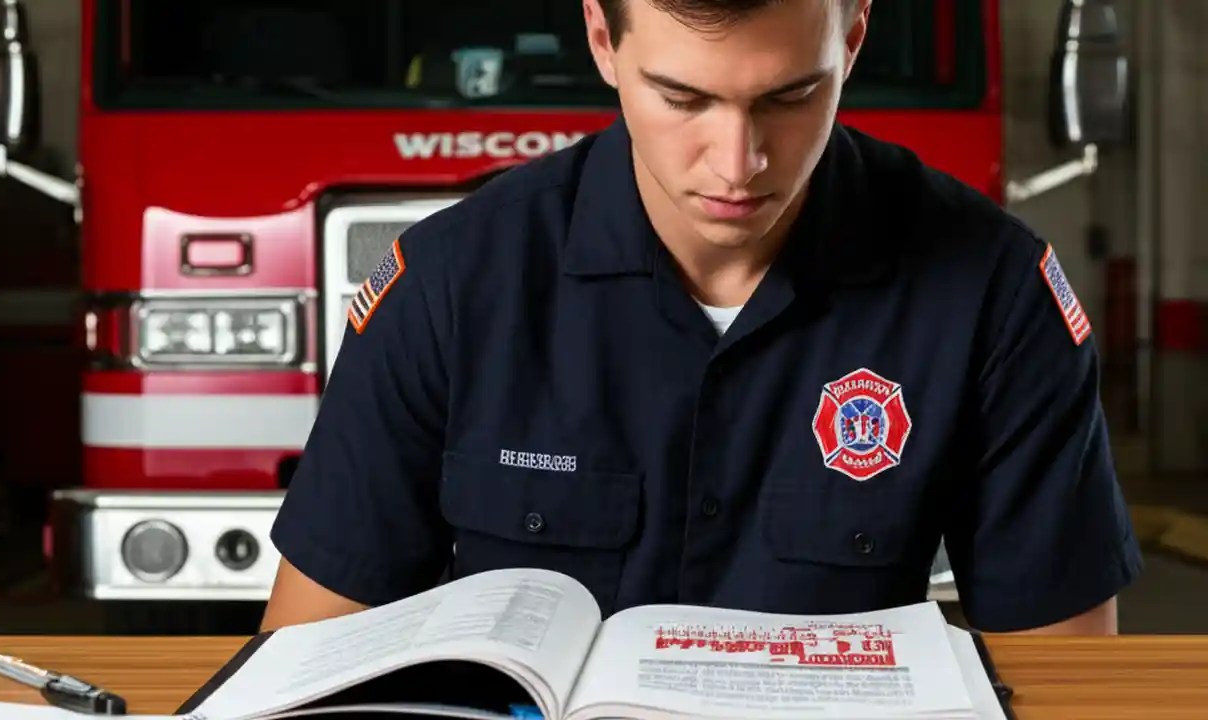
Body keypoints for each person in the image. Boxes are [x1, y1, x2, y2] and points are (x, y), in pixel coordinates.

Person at [261, 0, 1142, 635]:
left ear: (855, 36)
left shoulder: (993, 293)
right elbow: (303, 660)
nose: (738, 162)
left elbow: (1064, 680)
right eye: (683, 99)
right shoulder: (454, 285)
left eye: (791, 97)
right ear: (603, 40)